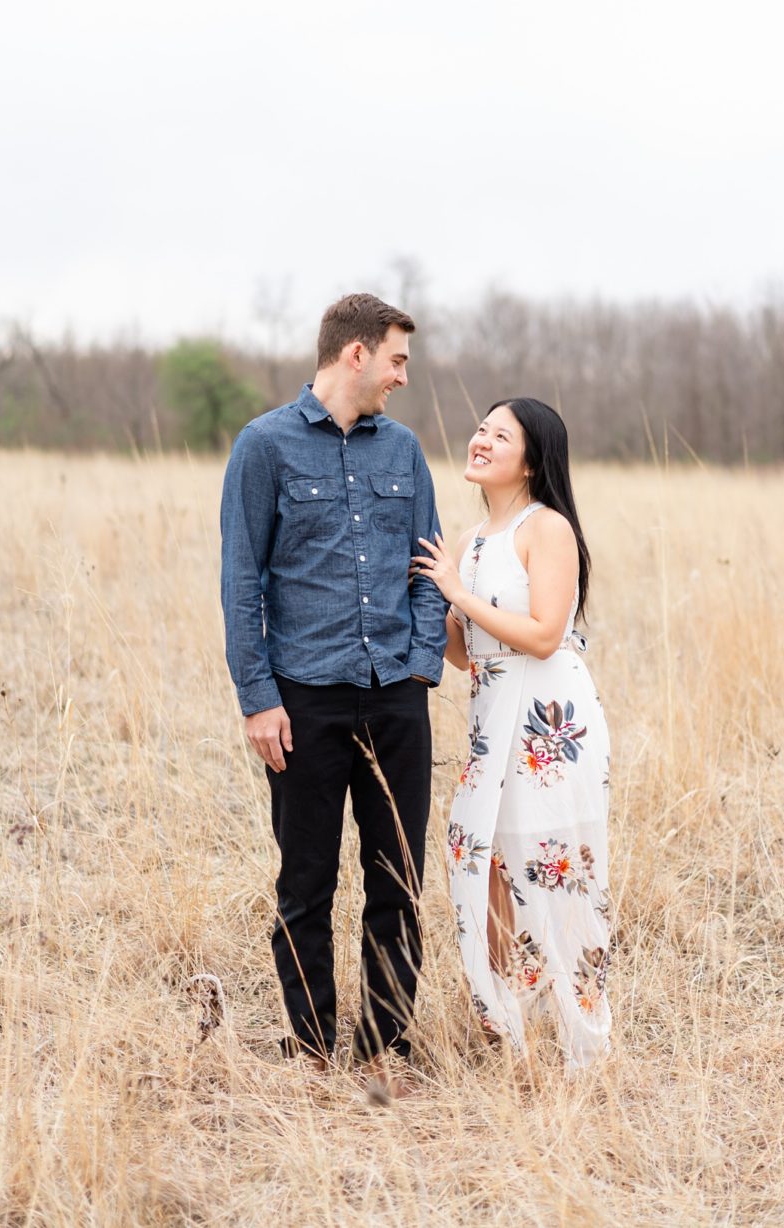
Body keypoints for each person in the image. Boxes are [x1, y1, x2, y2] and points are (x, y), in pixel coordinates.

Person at [219, 292, 446, 1097]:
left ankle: (385, 1046)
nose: (402, 377)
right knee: (306, 879)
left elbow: (429, 570)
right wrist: (258, 697)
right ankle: (312, 1045)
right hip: (303, 703)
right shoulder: (264, 447)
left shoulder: (405, 453)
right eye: (396, 360)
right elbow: (241, 580)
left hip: (394, 701)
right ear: (355, 354)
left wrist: (421, 666)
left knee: (398, 876)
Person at [410, 396, 615, 1067]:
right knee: (479, 858)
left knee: (545, 866)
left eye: (501, 435)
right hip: (490, 713)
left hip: (548, 720)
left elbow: (545, 634)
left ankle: (577, 1034)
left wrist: (458, 594)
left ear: (531, 460)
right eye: (480, 429)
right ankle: (510, 1026)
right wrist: (438, 611)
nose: (482, 440)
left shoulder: (545, 527)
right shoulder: (468, 543)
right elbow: (472, 654)